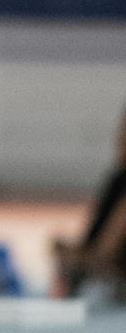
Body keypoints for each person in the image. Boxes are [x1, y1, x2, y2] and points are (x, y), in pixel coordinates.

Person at [56, 106, 126, 301]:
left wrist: (88, 259)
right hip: (98, 256)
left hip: (110, 264)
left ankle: (98, 277)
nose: (119, 139)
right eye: (120, 131)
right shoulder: (117, 178)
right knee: (61, 248)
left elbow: (107, 244)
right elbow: (93, 231)